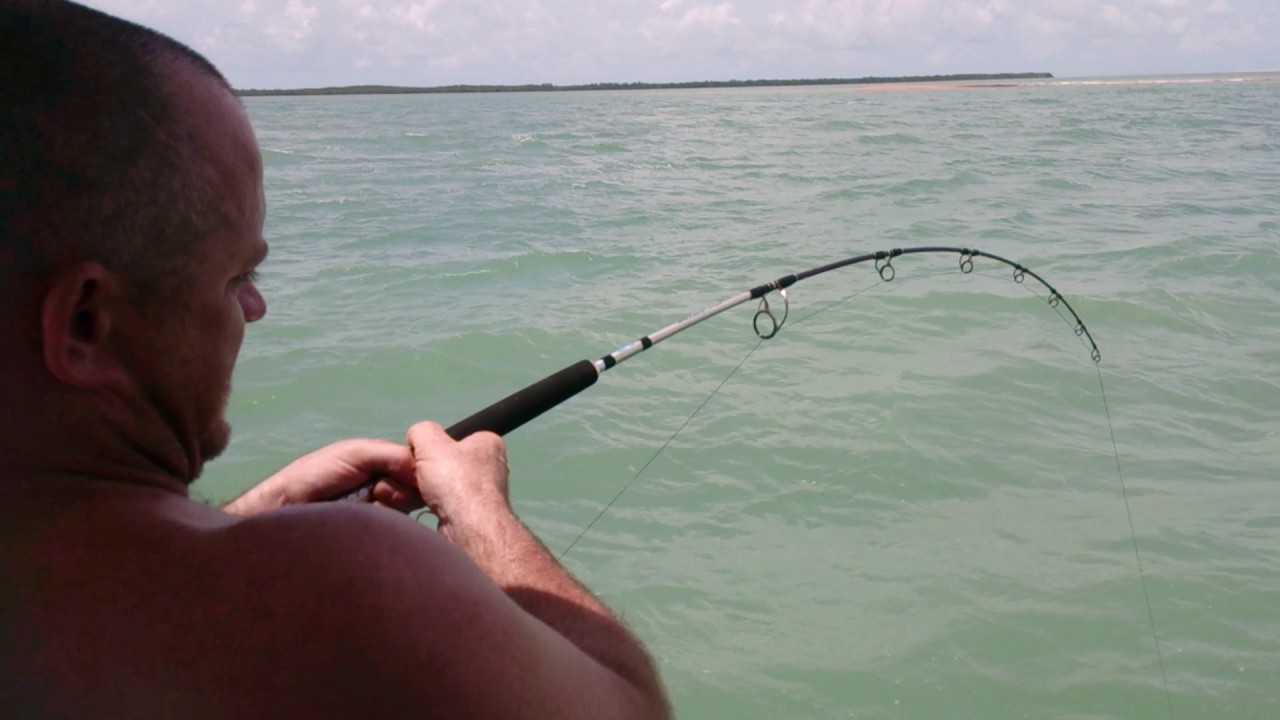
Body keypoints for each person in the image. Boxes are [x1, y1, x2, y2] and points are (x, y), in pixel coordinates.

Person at [0, 1, 671, 717]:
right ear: (86, 323)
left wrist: (256, 515)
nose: (256, 307)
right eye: (236, 278)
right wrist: (479, 514)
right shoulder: (342, 578)